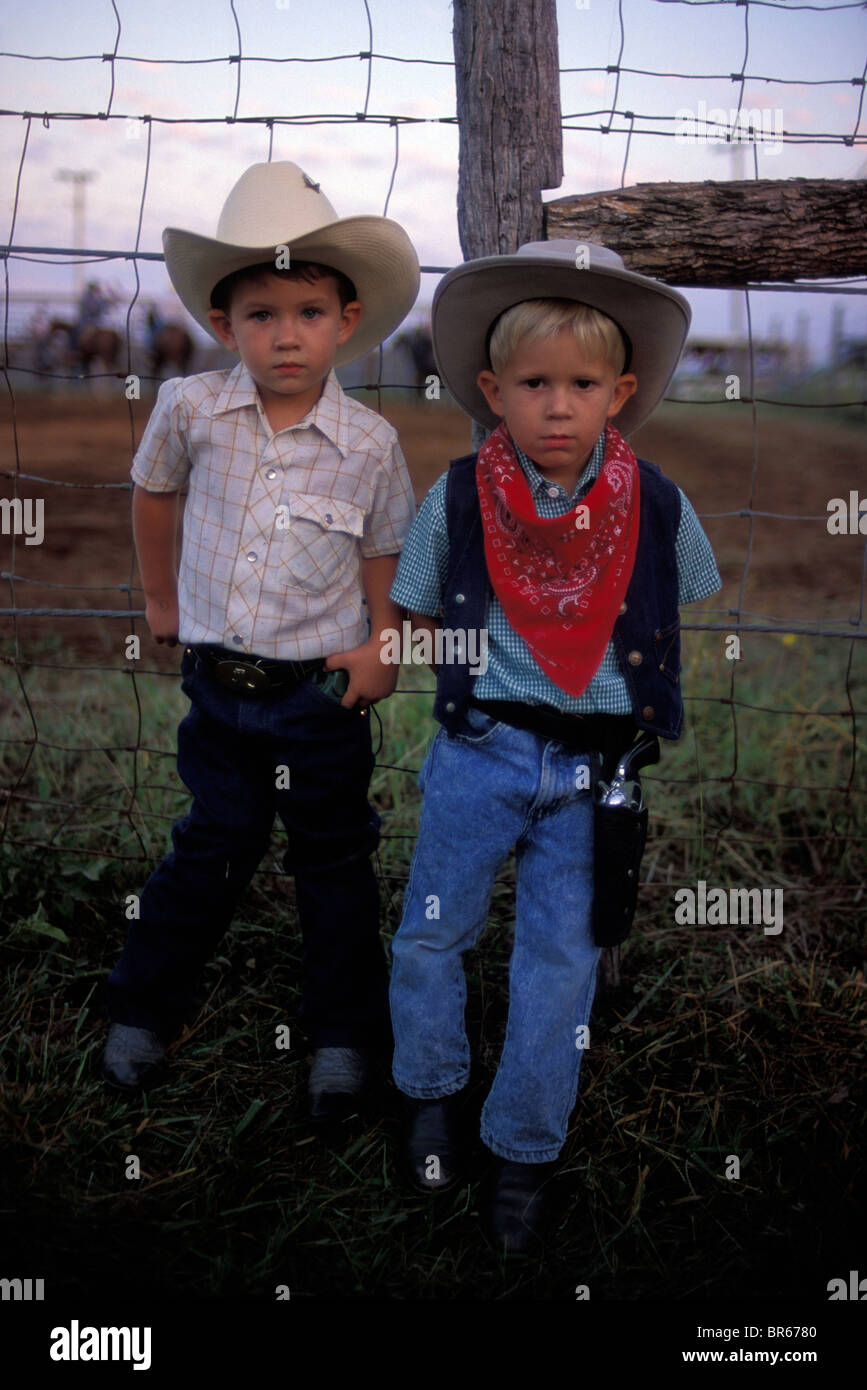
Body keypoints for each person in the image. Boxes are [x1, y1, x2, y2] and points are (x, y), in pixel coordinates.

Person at [387, 240, 721, 1251]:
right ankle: (430, 1095)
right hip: (480, 750)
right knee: (432, 931)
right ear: (492, 391)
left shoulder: (656, 505)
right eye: (535, 383)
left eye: (582, 384)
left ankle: (524, 1144)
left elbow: (682, 597)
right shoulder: (457, 499)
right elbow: (410, 609)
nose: (559, 405)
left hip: (594, 772)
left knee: (558, 964)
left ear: (620, 392)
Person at [101, 161, 419, 1121]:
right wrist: (161, 599)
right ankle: (144, 1008)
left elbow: (383, 552)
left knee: (332, 863)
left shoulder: (368, 443)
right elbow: (153, 495)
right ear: (220, 324)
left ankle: (339, 1039)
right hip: (217, 686)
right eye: (262, 313)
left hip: (320, 696)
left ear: (347, 321)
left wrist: (382, 647)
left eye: (310, 312)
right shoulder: (190, 410)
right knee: (210, 844)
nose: (287, 334)